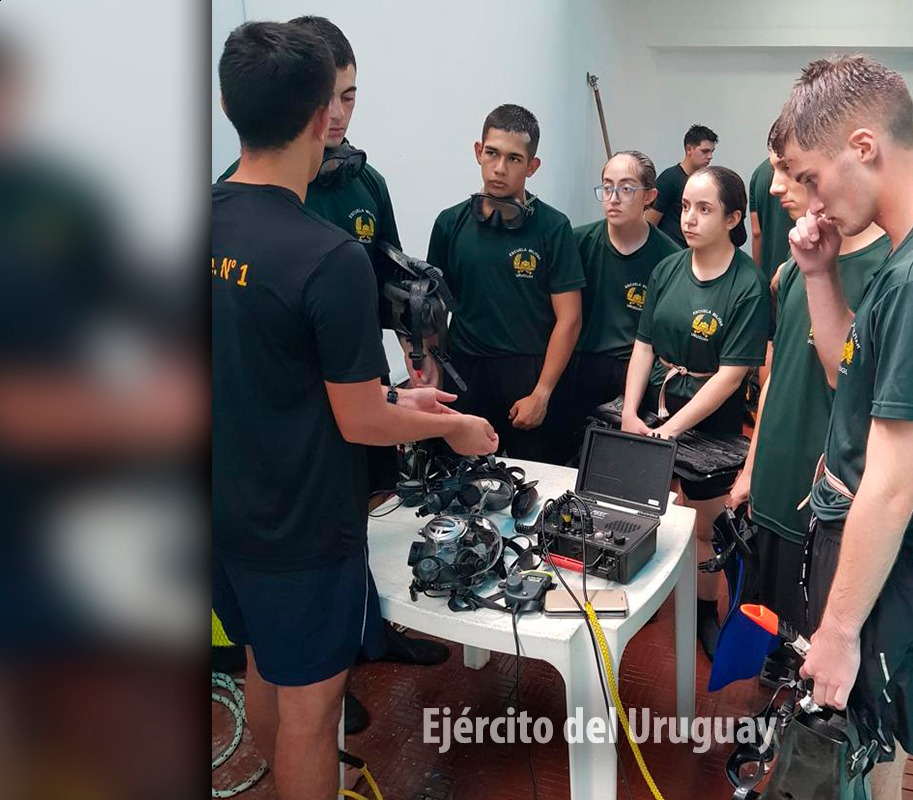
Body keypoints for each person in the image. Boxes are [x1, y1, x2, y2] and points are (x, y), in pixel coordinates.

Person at [212, 22, 497, 800]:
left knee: (264, 669)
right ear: (316, 118)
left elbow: (269, 368)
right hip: (302, 525)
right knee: (313, 714)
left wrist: (399, 397)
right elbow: (360, 423)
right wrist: (450, 424)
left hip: (225, 511)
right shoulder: (324, 255)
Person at [775, 55, 913, 800]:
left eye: (809, 177)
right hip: (878, 551)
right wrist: (819, 274)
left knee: (867, 743)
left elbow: (891, 485)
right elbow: (848, 373)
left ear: (863, 147)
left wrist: (840, 633)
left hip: (892, 561)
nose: (805, 200)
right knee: (866, 741)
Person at [729, 121, 890, 685]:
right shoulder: (802, 258)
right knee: (769, 637)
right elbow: (777, 373)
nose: (775, 187)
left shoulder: (885, 273)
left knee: (813, 659)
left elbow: (844, 382)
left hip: (819, 501)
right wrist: (752, 464)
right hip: (774, 477)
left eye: (787, 169)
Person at [621, 165, 770, 661]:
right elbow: (643, 344)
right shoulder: (667, 269)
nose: (688, 218)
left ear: (732, 218)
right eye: (685, 206)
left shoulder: (746, 285)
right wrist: (629, 414)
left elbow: (731, 376)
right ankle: (648, 597)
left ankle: (706, 609)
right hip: (656, 407)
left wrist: (671, 430)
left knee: (705, 526)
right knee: (645, 510)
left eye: (704, 209)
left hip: (713, 421)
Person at [427, 104, 584, 464]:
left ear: (532, 166)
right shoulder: (449, 224)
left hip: (529, 375)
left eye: (514, 159)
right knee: (459, 482)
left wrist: (542, 393)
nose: (500, 168)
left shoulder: (553, 228)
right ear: (478, 152)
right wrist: (432, 376)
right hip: (464, 372)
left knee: (535, 485)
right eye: (493, 154)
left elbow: (569, 318)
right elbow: (433, 310)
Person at [560, 150, 680, 459]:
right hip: (579, 368)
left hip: (635, 375)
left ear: (649, 196)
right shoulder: (577, 243)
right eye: (607, 186)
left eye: (626, 188)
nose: (613, 197)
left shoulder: (670, 258)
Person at [645, 124, 718, 247]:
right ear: (689, 149)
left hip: (694, 252)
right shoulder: (669, 179)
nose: (710, 156)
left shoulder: (704, 182)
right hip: (671, 253)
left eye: (712, 151)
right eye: (705, 151)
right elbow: (649, 224)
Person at [748, 155, 793, 278]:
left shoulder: (758, 173)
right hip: (796, 272)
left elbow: (756, 232)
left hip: (769, 272)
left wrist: (759, 279)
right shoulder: (796, 168)